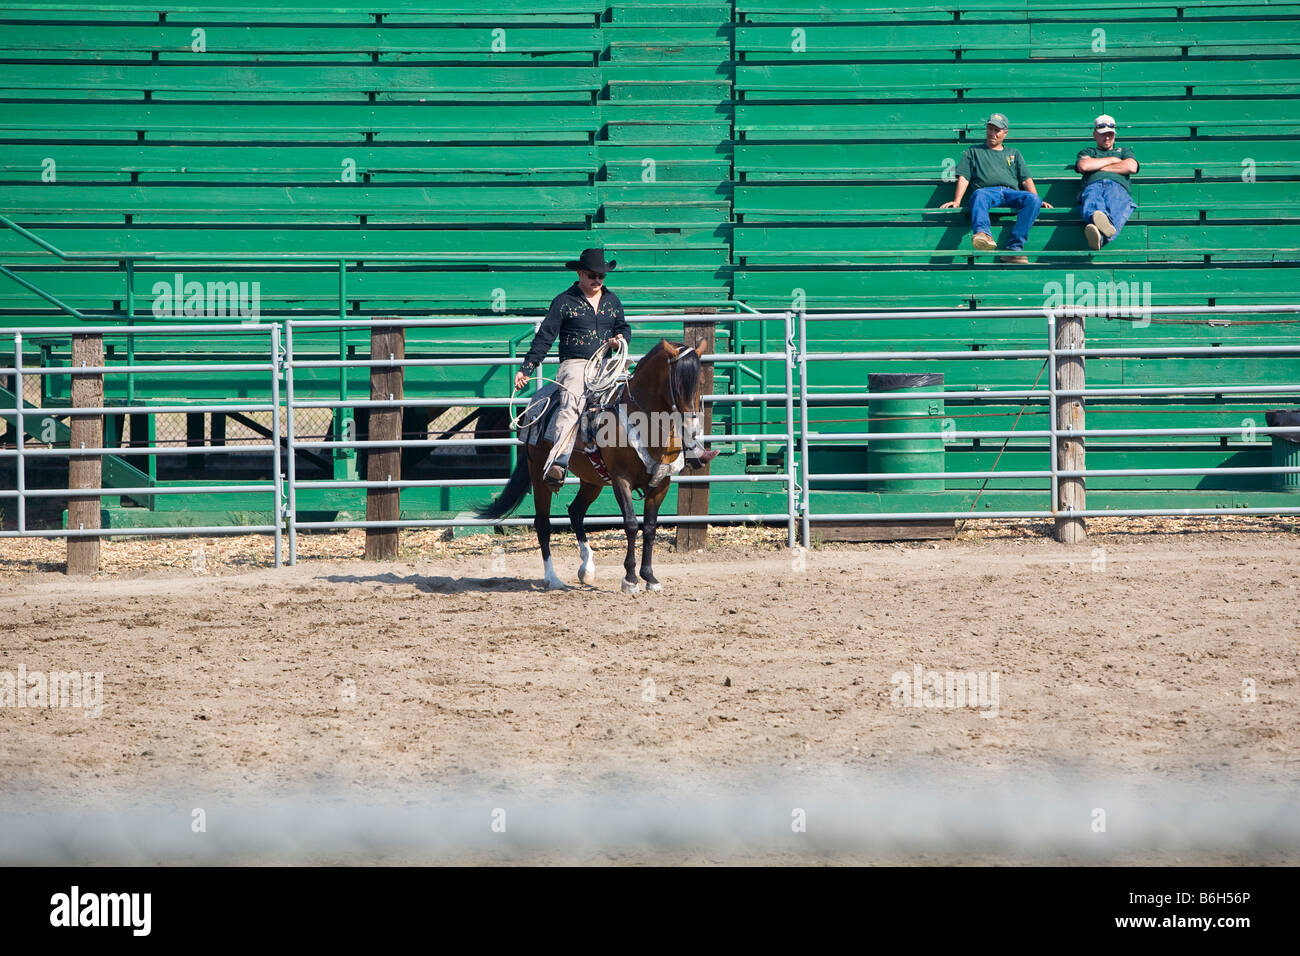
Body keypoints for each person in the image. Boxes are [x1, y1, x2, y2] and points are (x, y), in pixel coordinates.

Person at [515, 248, 630, 490]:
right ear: (580, 273)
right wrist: (527, 368)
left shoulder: (613, 301)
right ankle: (559, 461)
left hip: (608, 364)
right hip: (576, 364)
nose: (597, 280)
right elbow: (545, 337)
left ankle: (642, 457)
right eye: (592, 275)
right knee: (572, 404)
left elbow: (623, 327)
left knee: (633, 394)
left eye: (601, 276)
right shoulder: (563, 302)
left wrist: (620, 339)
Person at [940, 112, 1052, 264]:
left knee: (1034, 199)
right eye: (990, 129)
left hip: (1011, 192)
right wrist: (957, 200)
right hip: (987, 192)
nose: (992, 133)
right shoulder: (973, 151)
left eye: (996, 130)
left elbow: (1026, 179)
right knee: (978, 194)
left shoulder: (1014, 153)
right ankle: (982, 234)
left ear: (1005, 133)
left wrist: (1038, 199)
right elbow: (964, 177)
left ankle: (1013, 250)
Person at [1076, 114, 1139, 250]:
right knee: (1092, 196)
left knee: (1115, 200)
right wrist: (1113, 160)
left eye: (1110, 134)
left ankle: (1099, 230)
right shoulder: (1089, 151)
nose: (1107, 138)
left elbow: (1131, 167)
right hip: (1093, 184)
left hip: (1117, 186)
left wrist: (1098, 167)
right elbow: (1084, 166)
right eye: (1103, 134)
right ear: (1094, 135)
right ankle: (1098, 219)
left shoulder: (1124, 151)